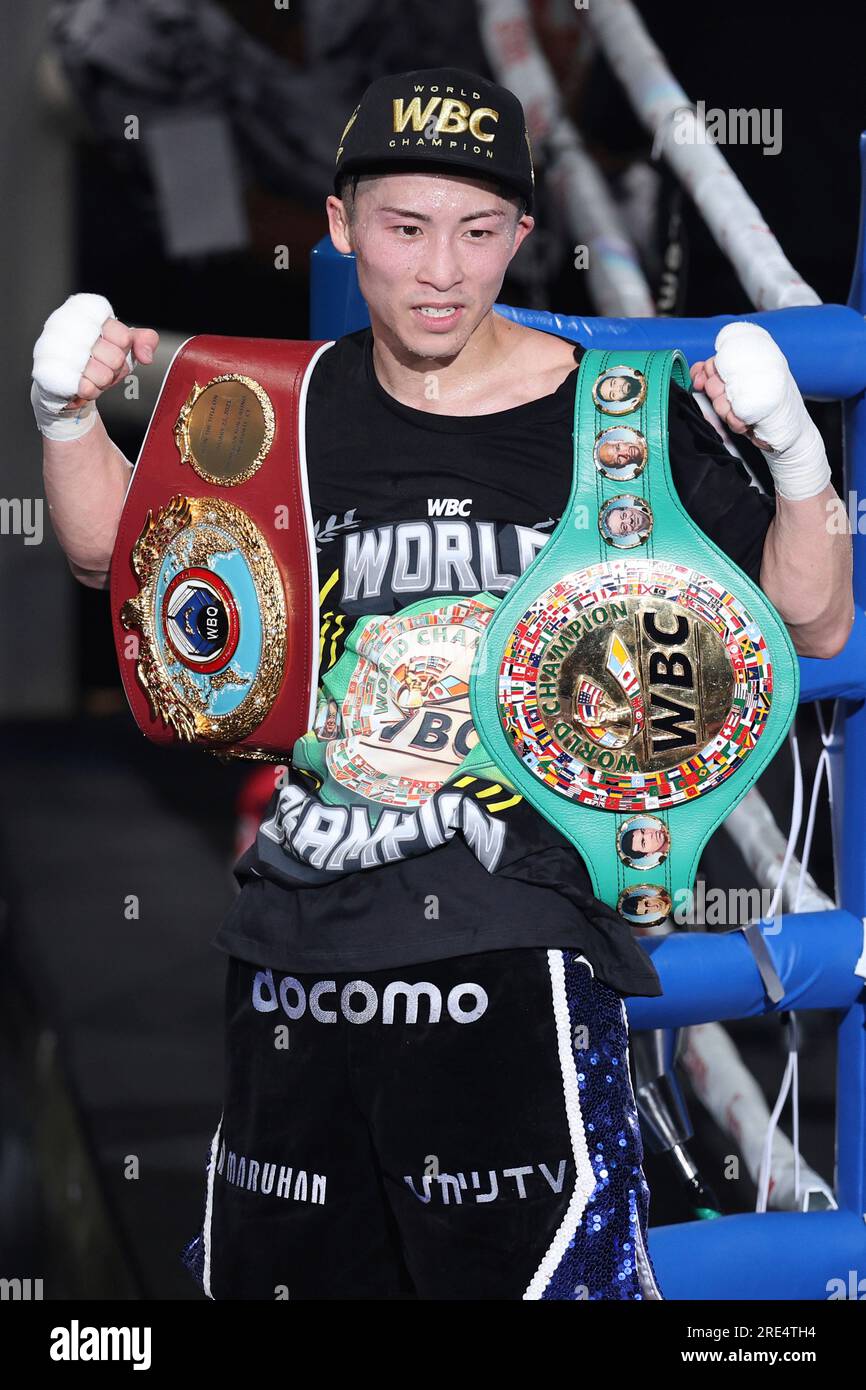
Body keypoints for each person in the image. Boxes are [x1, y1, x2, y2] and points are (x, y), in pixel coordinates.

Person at [31, 66, 853, 1301]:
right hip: (295, 945)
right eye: (405, 230)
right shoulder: (280, 407)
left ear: (522, 237)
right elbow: (117, 562)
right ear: (339, 225)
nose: (438, 272)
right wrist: (64, 416)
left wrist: (794, 463)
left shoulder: (614, 418)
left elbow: (814, 613)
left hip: (515, 951)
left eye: (476, 234)